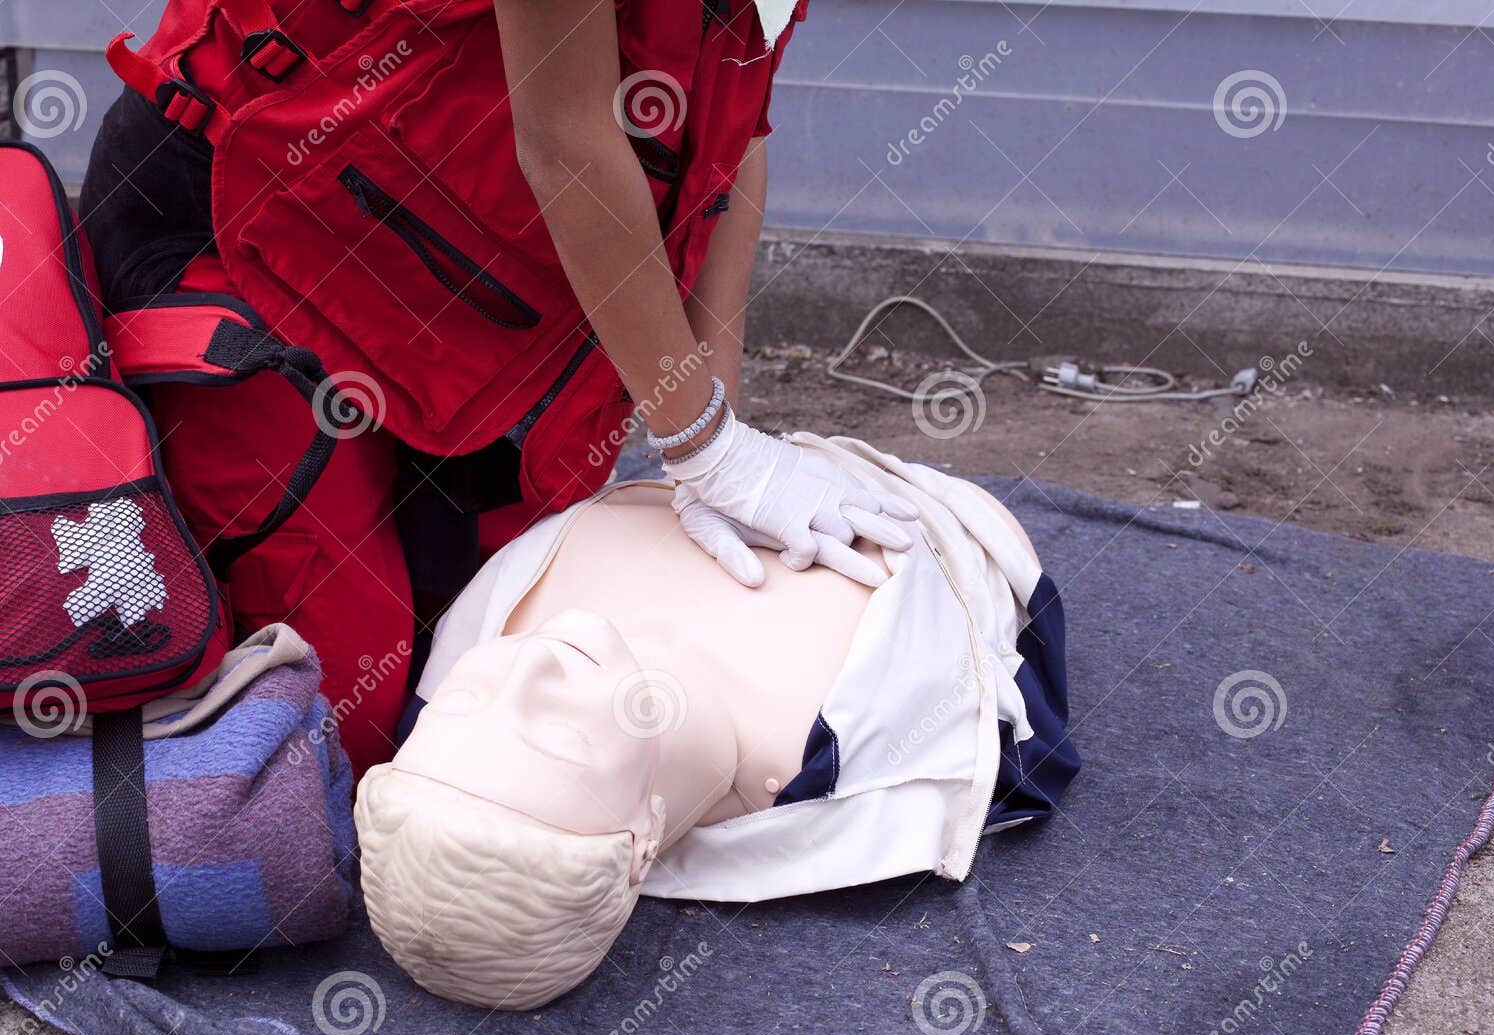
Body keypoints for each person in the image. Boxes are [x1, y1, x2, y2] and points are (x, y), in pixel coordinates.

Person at [79, 0, 910, 777]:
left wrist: (720, 443)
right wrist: (703, 441)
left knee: (511, 685)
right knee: (342, 742)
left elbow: (733, 136)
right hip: (242, 217)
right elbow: (566, 140)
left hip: (436, 268)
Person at [355, 437, 1081, 1011]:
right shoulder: (850, 743)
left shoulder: (478, 626)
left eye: (462, 701)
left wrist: (709, 441)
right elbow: (999, 574)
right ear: (638, 845)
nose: (530, 667)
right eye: (558, 736)